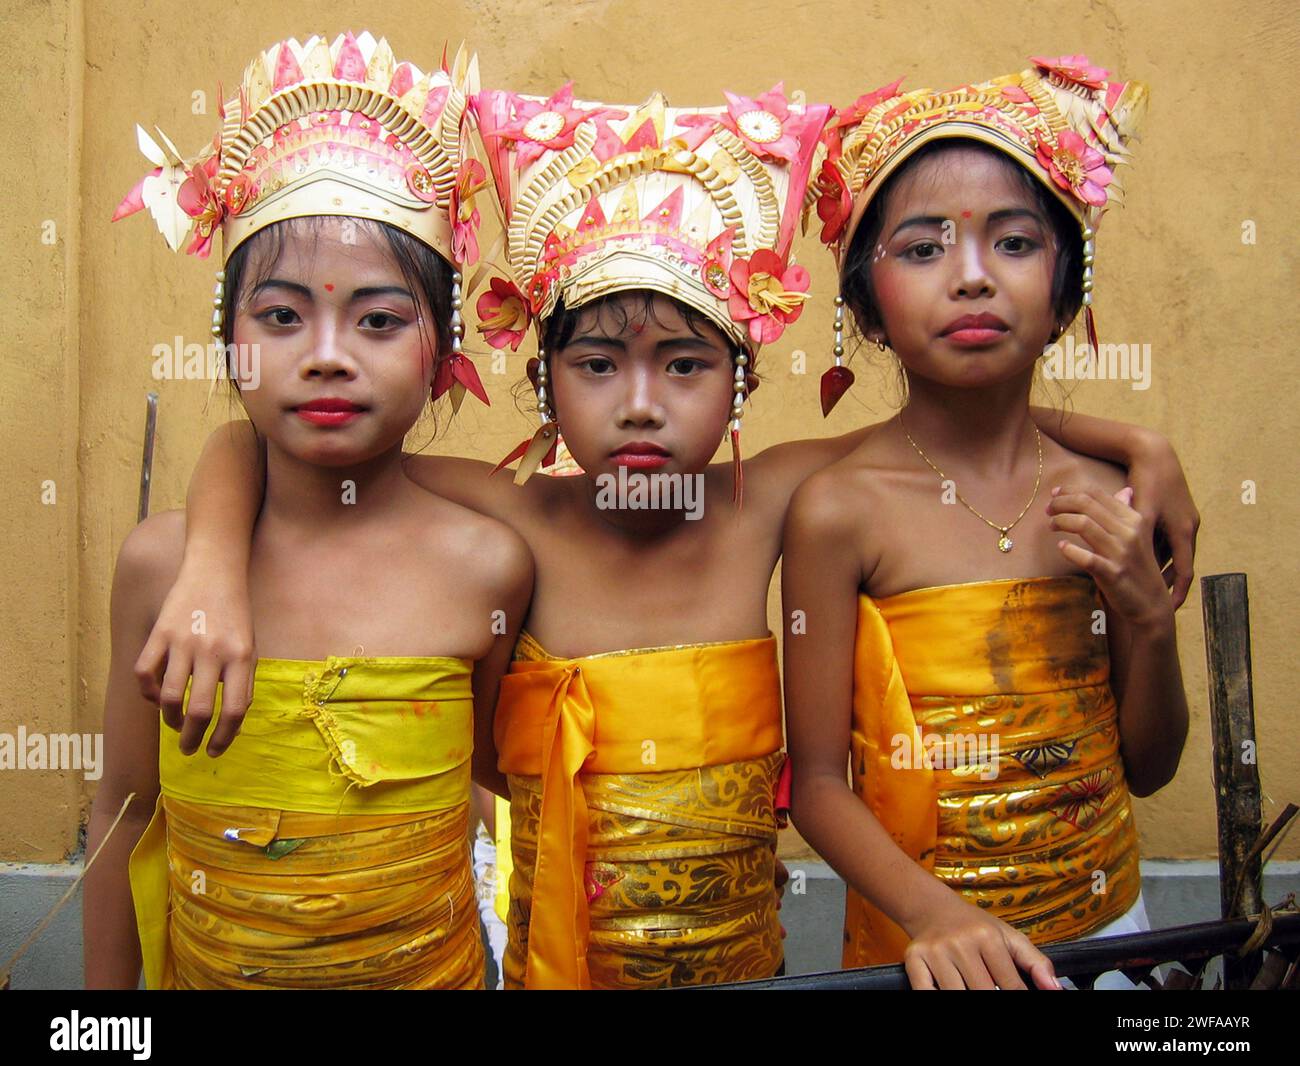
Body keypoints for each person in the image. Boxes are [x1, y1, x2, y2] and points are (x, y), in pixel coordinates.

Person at [134, 76, 1199, 990]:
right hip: (553, 953)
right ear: (543, 386)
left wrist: (1129, 439)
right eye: (596, 366)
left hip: (741, 960)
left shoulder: (769, 504)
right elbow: (298, 452)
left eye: (685, 366)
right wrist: (213, 564)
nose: (639, 407)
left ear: (738, 383)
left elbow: (946, 422)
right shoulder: (517, 522)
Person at [83, 32, 532, 989]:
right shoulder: (165, 571)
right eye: (282, 316)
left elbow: (496, 792)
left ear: (446, 343)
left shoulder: (487, 563)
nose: (327, 354)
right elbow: (123, 810)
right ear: (225, 338)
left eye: (378, 319)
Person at [784, 55, 1190, 990]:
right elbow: (816, 782)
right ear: (866, 309)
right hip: (927, 956)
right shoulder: (839, 510)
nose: (971, 279)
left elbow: (1152, 766)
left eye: (1012, 243)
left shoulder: (1113, 495)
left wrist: (1147, 617)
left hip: (1112, 942)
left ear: (1065, 289)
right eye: (922, 250)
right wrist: (939, 916)